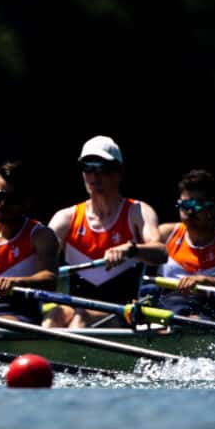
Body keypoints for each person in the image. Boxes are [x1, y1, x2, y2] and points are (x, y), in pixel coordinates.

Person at [48, 136, 166, 328]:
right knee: (53, 316)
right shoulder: (66, 217)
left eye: (101, 168)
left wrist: (131, 249)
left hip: (123, 312)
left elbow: (161, 252)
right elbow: (38, 258)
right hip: (77, 308)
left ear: (118, 173)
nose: (94, 176)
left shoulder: (137, 212)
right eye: (88, 167)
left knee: (80, 318)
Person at [0, 161, 61, 325]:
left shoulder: (41, 235)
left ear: (27, 201)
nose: (2, 204)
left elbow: (50, 279)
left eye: (11, 199)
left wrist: (17, 282)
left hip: (19, 314)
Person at [154, 170, 215, 318]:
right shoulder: (165, 234)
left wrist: (205, 280)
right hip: (167, 304)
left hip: (210, 307)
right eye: (185, 204)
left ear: (213, 207)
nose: (190, 211)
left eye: (197, 205)